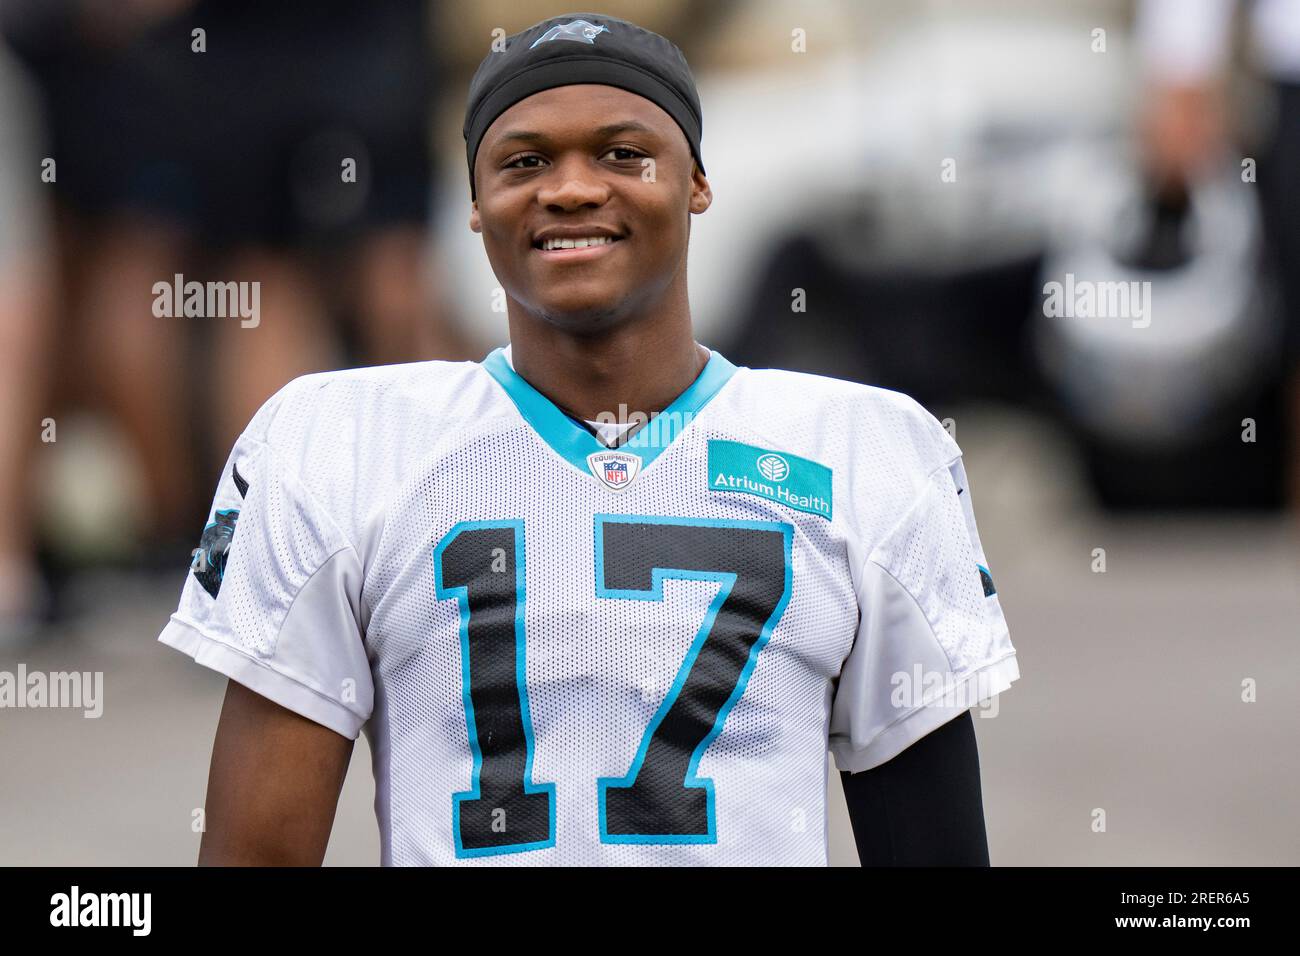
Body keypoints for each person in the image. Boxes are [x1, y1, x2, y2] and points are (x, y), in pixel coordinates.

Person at [158, 12, 1019, 866]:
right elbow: (258, 853)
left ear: (697, 182)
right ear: (474, 203)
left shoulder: (866, 451)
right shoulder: (340, 444)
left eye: (622, 152)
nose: (570, 188)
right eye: (524, 160)